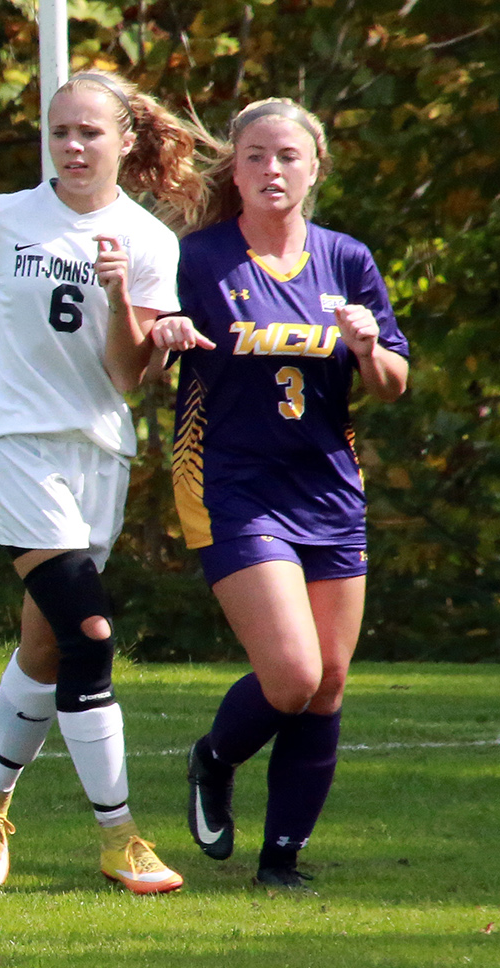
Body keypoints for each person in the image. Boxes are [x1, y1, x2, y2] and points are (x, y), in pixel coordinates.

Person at [0, 70, 210, 894]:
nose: (72, 147)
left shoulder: (146, 241)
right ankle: (121, 837)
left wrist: (119, 299)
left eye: (89, 134)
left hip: (96, 451)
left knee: (43, 644)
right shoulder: (6, 214)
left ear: (126, 141)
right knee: (91, 634)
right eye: (59, 132)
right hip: (15, 442)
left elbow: (124, 377)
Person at [152, 98, 408, 891]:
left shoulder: (346, 258)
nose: (272, 170)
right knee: (292, 675)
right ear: (234, 166)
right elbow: (136, 361)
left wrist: (368, 347)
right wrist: (157, 336)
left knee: (329, 681)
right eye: (256, 155)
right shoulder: (196, 259)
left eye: (288, 156)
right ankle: (214, 757)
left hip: (327, 487)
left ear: (315, 168)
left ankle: (281, 863)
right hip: (229, 481)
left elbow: (395, 383)